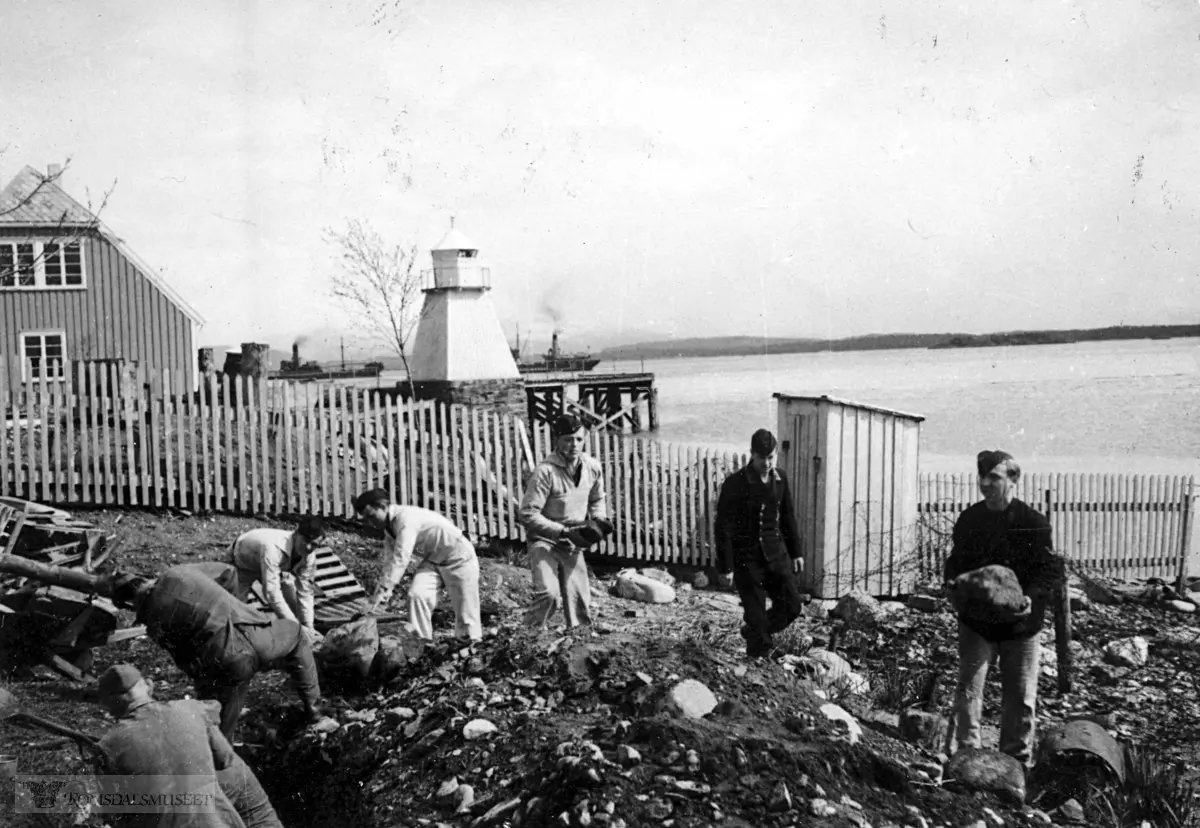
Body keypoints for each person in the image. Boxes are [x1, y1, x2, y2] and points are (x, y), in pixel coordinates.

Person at [943, 449, 1065, 768]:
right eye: (982, 477)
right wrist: (953, 583)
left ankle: (1015, 764)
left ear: (1013, 480)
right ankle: (965, 756)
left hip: (1021, 625)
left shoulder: (1033, 523)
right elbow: (957, 562)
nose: (986, 484)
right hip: (978, 622)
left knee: (1020, 699)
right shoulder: (970, 520)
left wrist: (1031, 597)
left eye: (994, 477)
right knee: (969, 688)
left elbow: (1049, 570)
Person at [108, 565, 323, 741]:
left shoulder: (154, 625)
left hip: (226, 663)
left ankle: (221, 763)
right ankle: (315, 713)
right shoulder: (178, 573)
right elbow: (229, 573)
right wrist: (231, 606)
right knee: (295, 634)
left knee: (219, 727)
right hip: (257, 636)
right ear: (143, 577)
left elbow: (188, 662)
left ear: (129, 605)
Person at [95, 663, 246, 828]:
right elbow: (225, 759)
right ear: (150, 685)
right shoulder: (192, 709)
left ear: (110, 704)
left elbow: (113, 813)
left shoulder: (108, 746)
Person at [714, 429, 805, 658]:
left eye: (771, 457)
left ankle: (755, 633)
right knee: (756, 615)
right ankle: (759, 659)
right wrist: (726, 567)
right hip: (747, 560)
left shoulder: (781, 479)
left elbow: (787, 518)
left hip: (775, 557)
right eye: (762, 458)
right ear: (752, 455)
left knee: (792, 606)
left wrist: (796, 553)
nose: (767, 463)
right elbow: (723, 528)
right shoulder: (735, 484)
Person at [518, 414, 611, 629]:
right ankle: (526, 637)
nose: (574, 445)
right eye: (568, 440)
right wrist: (561, 531)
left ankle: (579, 643)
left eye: (579, 439)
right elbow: (527, 514)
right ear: (557, 440)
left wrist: (598, 520)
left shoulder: (592, 467)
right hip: (544, 541)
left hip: (573, 542)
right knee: (548, 595)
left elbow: (597, 498)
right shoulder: (545, 472)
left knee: (579, 601)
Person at [353, 489, 482, 641]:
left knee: (466, 609)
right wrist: (379, 594)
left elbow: (402, 556)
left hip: (458, 556)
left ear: (383, 506)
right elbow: (389, 561)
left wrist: (389, 585)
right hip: (433, 560)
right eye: (366, 519)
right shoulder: (389, 529)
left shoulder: (406, 518)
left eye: (372, 516)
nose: (370, 522)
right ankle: (422, 642)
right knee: (416, 595)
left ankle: (471, 645)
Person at [226, 518, 326, 642]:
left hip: (278, 567)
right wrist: (298, 628)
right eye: (305, 540)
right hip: (244, 562)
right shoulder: (273, 548)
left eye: (314, 544)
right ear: (296, 534)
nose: (308, 547)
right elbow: (271, 593)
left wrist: (308, 626)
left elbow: (306, 591)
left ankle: (294, 638)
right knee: (235, 611)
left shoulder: (309, 556)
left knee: (293, 605)